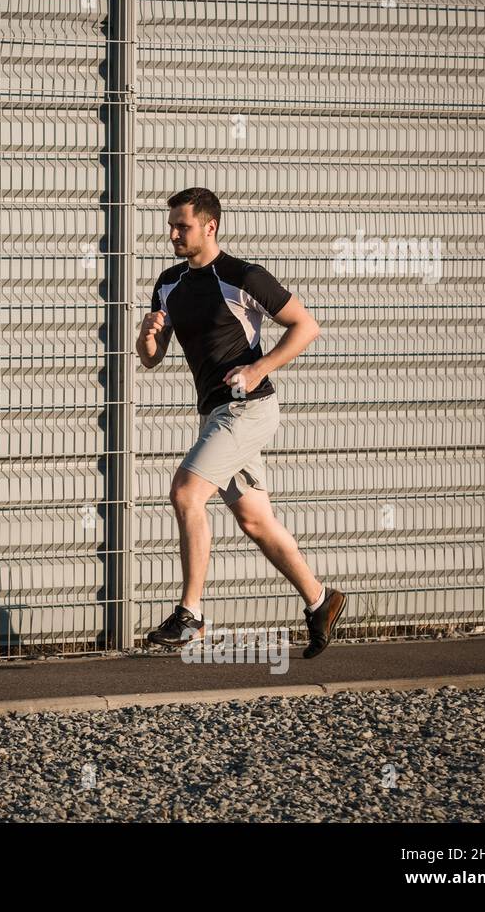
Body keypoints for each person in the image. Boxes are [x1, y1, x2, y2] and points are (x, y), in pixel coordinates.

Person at [135, 187, 345, 659]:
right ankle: (319, 600)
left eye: (182, 226)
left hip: (247, 409)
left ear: (209, 227)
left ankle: (192, 615)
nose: (172, 234)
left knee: (186, 492)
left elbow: (306, 326)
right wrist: (146, 337)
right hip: (215, 413)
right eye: (171, 225)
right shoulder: (169, 283)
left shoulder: (241, 275)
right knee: (254, 519)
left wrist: (258, 368)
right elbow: (151, 359)